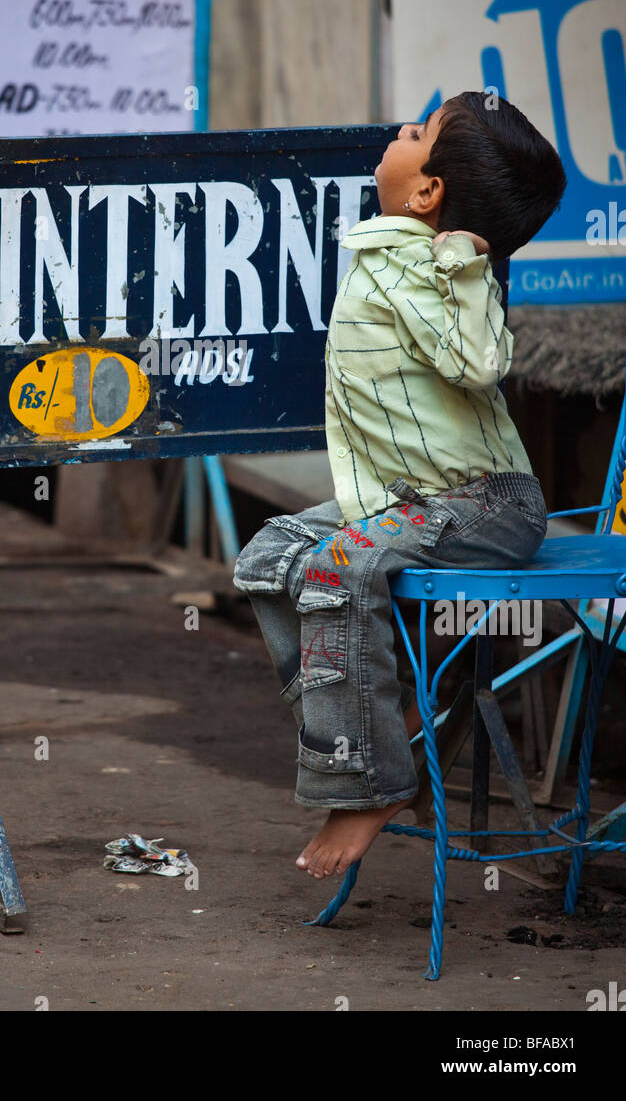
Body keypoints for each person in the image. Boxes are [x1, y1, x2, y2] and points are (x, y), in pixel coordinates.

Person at [233, 92, 566, 882]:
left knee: (338, 568)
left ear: (428, 193)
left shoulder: (439, 265)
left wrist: (463, 259)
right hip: (409, 502)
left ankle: (369, 781)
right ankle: (387, 738)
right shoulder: (388, 251)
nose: (398, 133)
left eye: (417, 134)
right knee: (267, 554)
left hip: (484, 503)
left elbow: (480, 363)